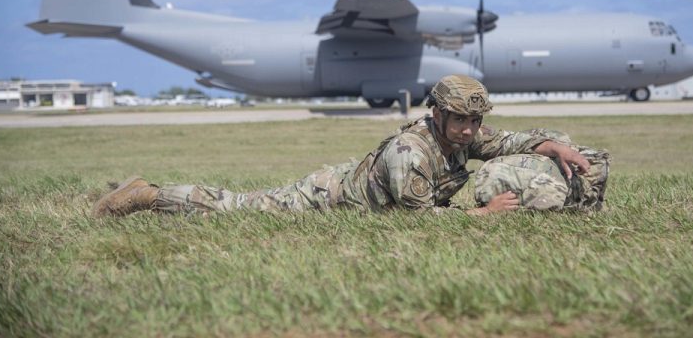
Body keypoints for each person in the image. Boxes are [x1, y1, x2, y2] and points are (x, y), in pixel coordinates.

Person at [92, 75, 609, 218]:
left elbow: (505, 143)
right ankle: (148, 194)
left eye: (476, 121)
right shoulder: (410, 153)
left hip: (358, 186)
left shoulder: (465, 133)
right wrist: (483, 213)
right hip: (330, 196)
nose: (471, 131)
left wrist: (550, 146)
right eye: (461, 120)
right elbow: (418, 218)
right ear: (437, 113)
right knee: (237, 208)